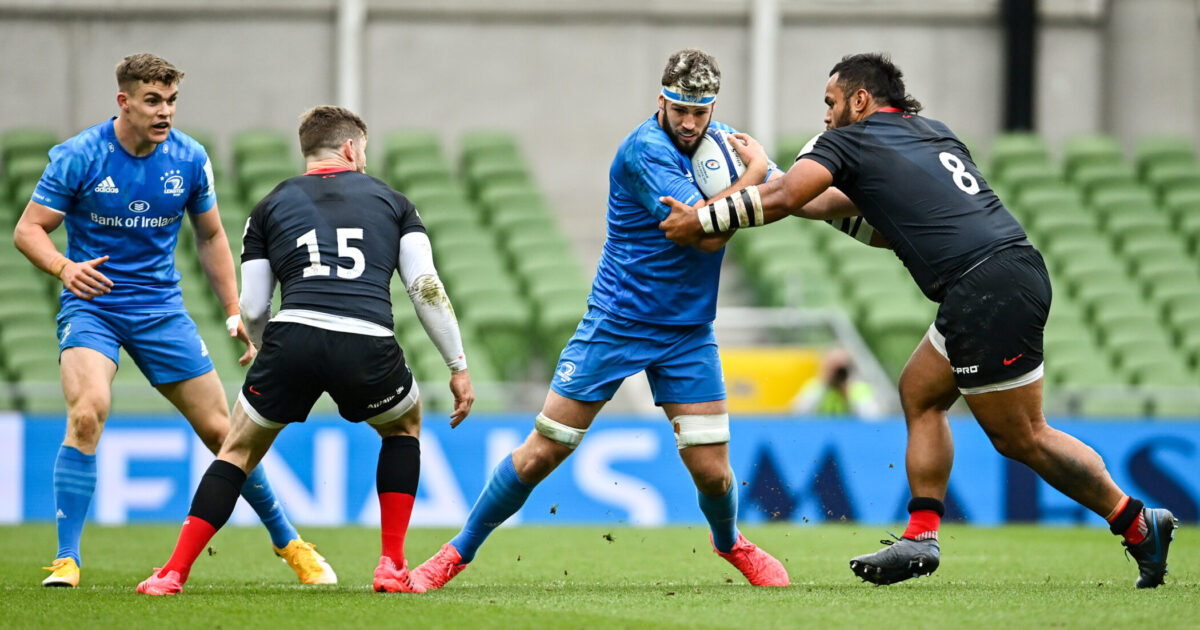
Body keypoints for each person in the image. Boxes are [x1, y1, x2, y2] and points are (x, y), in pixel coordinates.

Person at [659, 52, 1177, 589]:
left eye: (831, 103)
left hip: (984, 286)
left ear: (860, 100)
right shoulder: (932, 133)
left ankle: (1137, 523)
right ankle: (921, 535)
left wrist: (701, 216)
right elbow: (872, 223)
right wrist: (765, 174)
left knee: (1023, 436)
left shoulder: (846, 140)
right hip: (1007, 271)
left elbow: (791, 197)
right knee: (921, 392)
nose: (827, 116)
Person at [410, 48, 789, 591]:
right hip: (618, 321)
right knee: (544, 451)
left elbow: (790, 194)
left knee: (713, 471)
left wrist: (869, 209)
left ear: (713, 109)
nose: (688, 122)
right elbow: (705, 234)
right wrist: (755, 172)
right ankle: (455, 553)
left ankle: (731, 543)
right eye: (679, 108)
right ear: (661, 100)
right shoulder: (645, 152)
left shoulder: (722, 146)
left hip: (686, 332)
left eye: (699, 112)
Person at [13, 53, 334, 589]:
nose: (165, 112)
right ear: (125, 102)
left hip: (161, 310)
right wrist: (63, 266)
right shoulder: (79, 156)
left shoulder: (189, 159)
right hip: (94, 306)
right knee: (88, 413)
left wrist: (235, 311)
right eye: (153, 101)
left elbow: (210, 236)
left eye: (172, 101)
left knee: (224, 433)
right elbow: (28, 229)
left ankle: (289, 542)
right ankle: (66, 559)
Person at [136, 105, 475, 596]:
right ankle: (391, 566)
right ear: (352, 148)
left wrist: (260, 341)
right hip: (367, 339)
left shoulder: (269, 205)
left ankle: (172, 574)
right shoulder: (394, 202)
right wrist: (457, 366)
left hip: (292, 334)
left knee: (236, 451)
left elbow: (252, 305)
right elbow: (425, 287)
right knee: (402, 427)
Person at [793, 347, 882, 419]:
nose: (837, 374)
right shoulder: (815, 387)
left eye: (840, 369)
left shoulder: (858, 389)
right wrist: (824, 384)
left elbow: (873, 418)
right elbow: (797, 413)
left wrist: (848, 393)